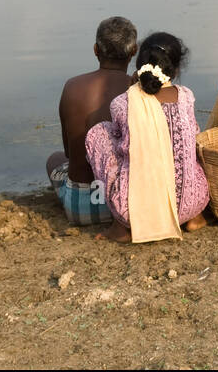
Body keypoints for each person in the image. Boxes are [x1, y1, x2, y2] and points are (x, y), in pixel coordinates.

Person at [84, 33, 209, 242]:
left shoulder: (122, 103)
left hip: (132, 213)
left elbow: (125, 142)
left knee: (99, 133)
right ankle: (195, 218)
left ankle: (120, 228)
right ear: (176, 69)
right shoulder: (186, 96)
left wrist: (133, 91)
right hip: (192, 203)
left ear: (139, 65)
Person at [47, 18, 138, 225]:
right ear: (134, 50)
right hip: (128, 204)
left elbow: (70, 153)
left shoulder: (72, 86)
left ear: (96, 50)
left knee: (54, 159)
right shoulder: (138, 89)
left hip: (81, 207)